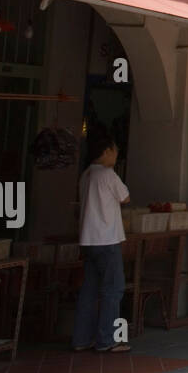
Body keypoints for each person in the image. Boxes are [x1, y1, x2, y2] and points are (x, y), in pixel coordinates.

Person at [73, 138, 130, 353]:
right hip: (107, 239)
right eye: (115, 151)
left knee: (89, 289)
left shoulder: (86, 175)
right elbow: (125, 197)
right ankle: (107, 339)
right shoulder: (107, 174)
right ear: (106, 151)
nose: (116, 156)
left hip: (88, 240)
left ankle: (81, 339)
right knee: (112, 289)